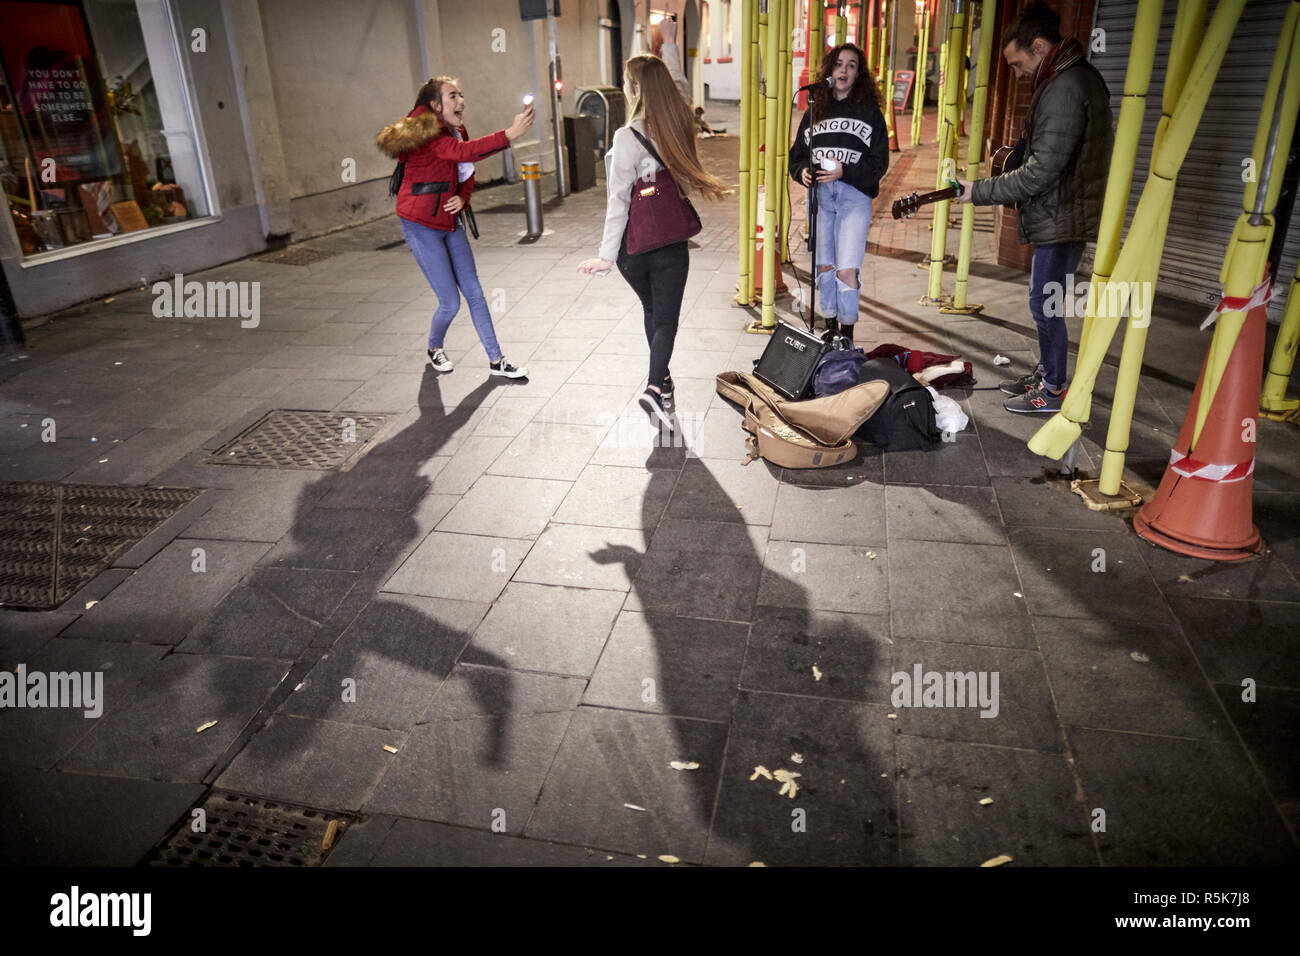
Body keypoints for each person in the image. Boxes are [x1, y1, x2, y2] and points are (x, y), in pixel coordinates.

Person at [955, 0, 1113, 414]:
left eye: (1017, 63)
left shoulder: (1065, 88)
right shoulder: (1067, 79)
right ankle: (1047, 372)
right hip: (1063, 209)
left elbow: (1042, 171)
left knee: (1045, 305)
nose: (1017, 73)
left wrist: (980, 191)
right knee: (1044, 302)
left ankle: (1055, 387)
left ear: (1040, 47)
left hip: (1064, 213)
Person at [576, 54, 730, 430]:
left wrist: (606, 257)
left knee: (652, 312)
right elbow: (689, 184)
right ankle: (654, 387)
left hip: (633, 250)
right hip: (669, 244)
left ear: (635, 89)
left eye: (628, 82)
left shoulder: (624, 137)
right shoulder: (678, 129)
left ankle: (664, 385)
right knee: (665, 320)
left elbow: (618, 201)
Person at [376, 76, 535, 378]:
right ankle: (435, 347)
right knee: (450, 302)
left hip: (449, 220)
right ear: (435, 105)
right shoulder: (424, 133)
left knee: (474, 292)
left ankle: (496, 360)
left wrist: (463, 197)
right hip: (419, 223)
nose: (460, 101)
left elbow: (467, 167)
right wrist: (509, 134)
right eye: (452, 96)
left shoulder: (457, 130)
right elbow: (463, 152)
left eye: (461, 95)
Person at [788, 42, 890, 344]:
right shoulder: (815, 110)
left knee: (847, 269)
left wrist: (846, 172)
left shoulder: (869, 113)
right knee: (824, 266)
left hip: (853, 198)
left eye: (851, 65)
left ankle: (847, 331)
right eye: (839, 64)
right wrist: (802, 171)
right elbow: (797, 155)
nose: (844, 70)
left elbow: (879, 164)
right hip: (820, 198)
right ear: (829, 70)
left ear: (859, 75)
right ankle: (829, 326)